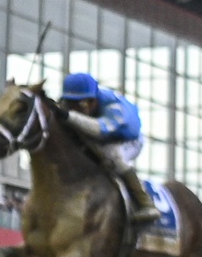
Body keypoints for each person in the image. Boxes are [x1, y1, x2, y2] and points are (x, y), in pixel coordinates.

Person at [57, 71, 159, 222]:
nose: (76, 108)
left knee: (113, 155)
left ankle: (146, 203)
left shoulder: (114, 108)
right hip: (101, 137)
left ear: (93, 100)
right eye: (70, 103)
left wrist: (69, 116)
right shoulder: (75, 103)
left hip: (127, 140)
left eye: (81, 104)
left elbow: (99, 129)